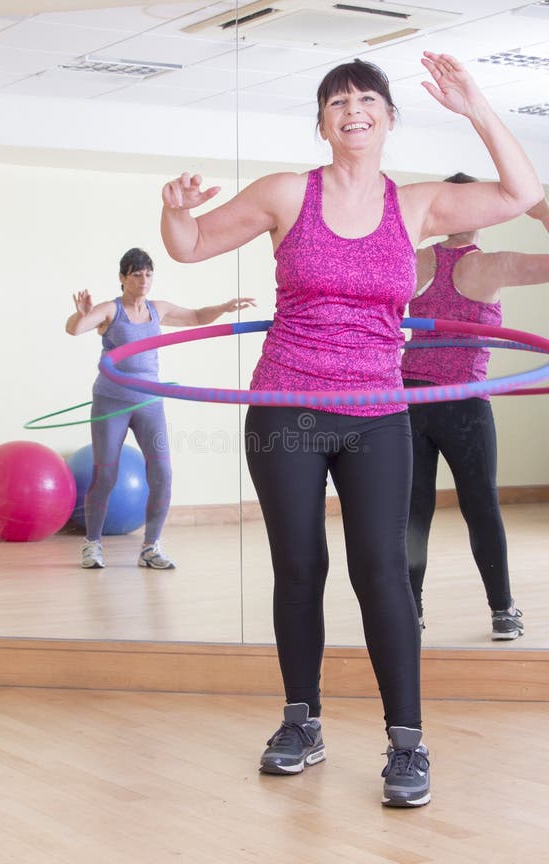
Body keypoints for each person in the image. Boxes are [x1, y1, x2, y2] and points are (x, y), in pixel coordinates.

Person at [159, 52, 543, 808]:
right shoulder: (283, 193)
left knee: (383, 572)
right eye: (337, 101)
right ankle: (301, 720)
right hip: (287, 406)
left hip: (376, 411)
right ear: (323, 121)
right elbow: (190, 245)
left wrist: (476, 106)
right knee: (298, 568)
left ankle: (407, 741)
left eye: (368, 99)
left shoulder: (420, 206)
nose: (353, 109)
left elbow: (522, 192)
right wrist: (173, 209)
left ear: (391, 118)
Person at [402, 179, 549, 639]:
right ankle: (503, 611)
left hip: (410, 400)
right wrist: (540, 209)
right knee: (482, 506)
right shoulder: (491, 265)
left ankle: (411, 612)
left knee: (414, 510)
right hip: (462, 404)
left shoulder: (415, 259)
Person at [66, 246, 255, 570]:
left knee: (163, 474)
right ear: (123, 278)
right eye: (136, 274)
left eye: (148, 274)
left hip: (149, 402)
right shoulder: (111, 310)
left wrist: (223, 308)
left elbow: (196, 317)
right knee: (106, 475)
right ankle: (92, 544)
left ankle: (151, 546)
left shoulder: (158, 309)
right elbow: (74, 329)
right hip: (112, 401)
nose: (144, 280)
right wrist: (83, 313)